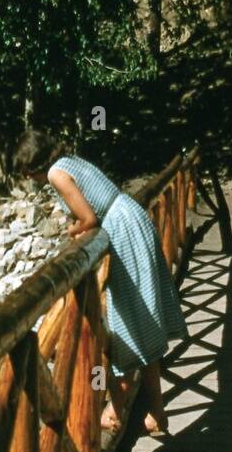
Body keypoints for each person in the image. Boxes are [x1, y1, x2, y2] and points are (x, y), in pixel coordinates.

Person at [12, 129, 187, 435]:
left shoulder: (56, 173)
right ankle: (144, 411)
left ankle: (128, 410)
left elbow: (89, 218)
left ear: (31, 167)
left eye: (28, 174)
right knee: (136, 320)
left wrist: (70, 234)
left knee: (128, 324)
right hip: (130, 219)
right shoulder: (68, 160)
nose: (32, 180)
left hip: (122, 230)